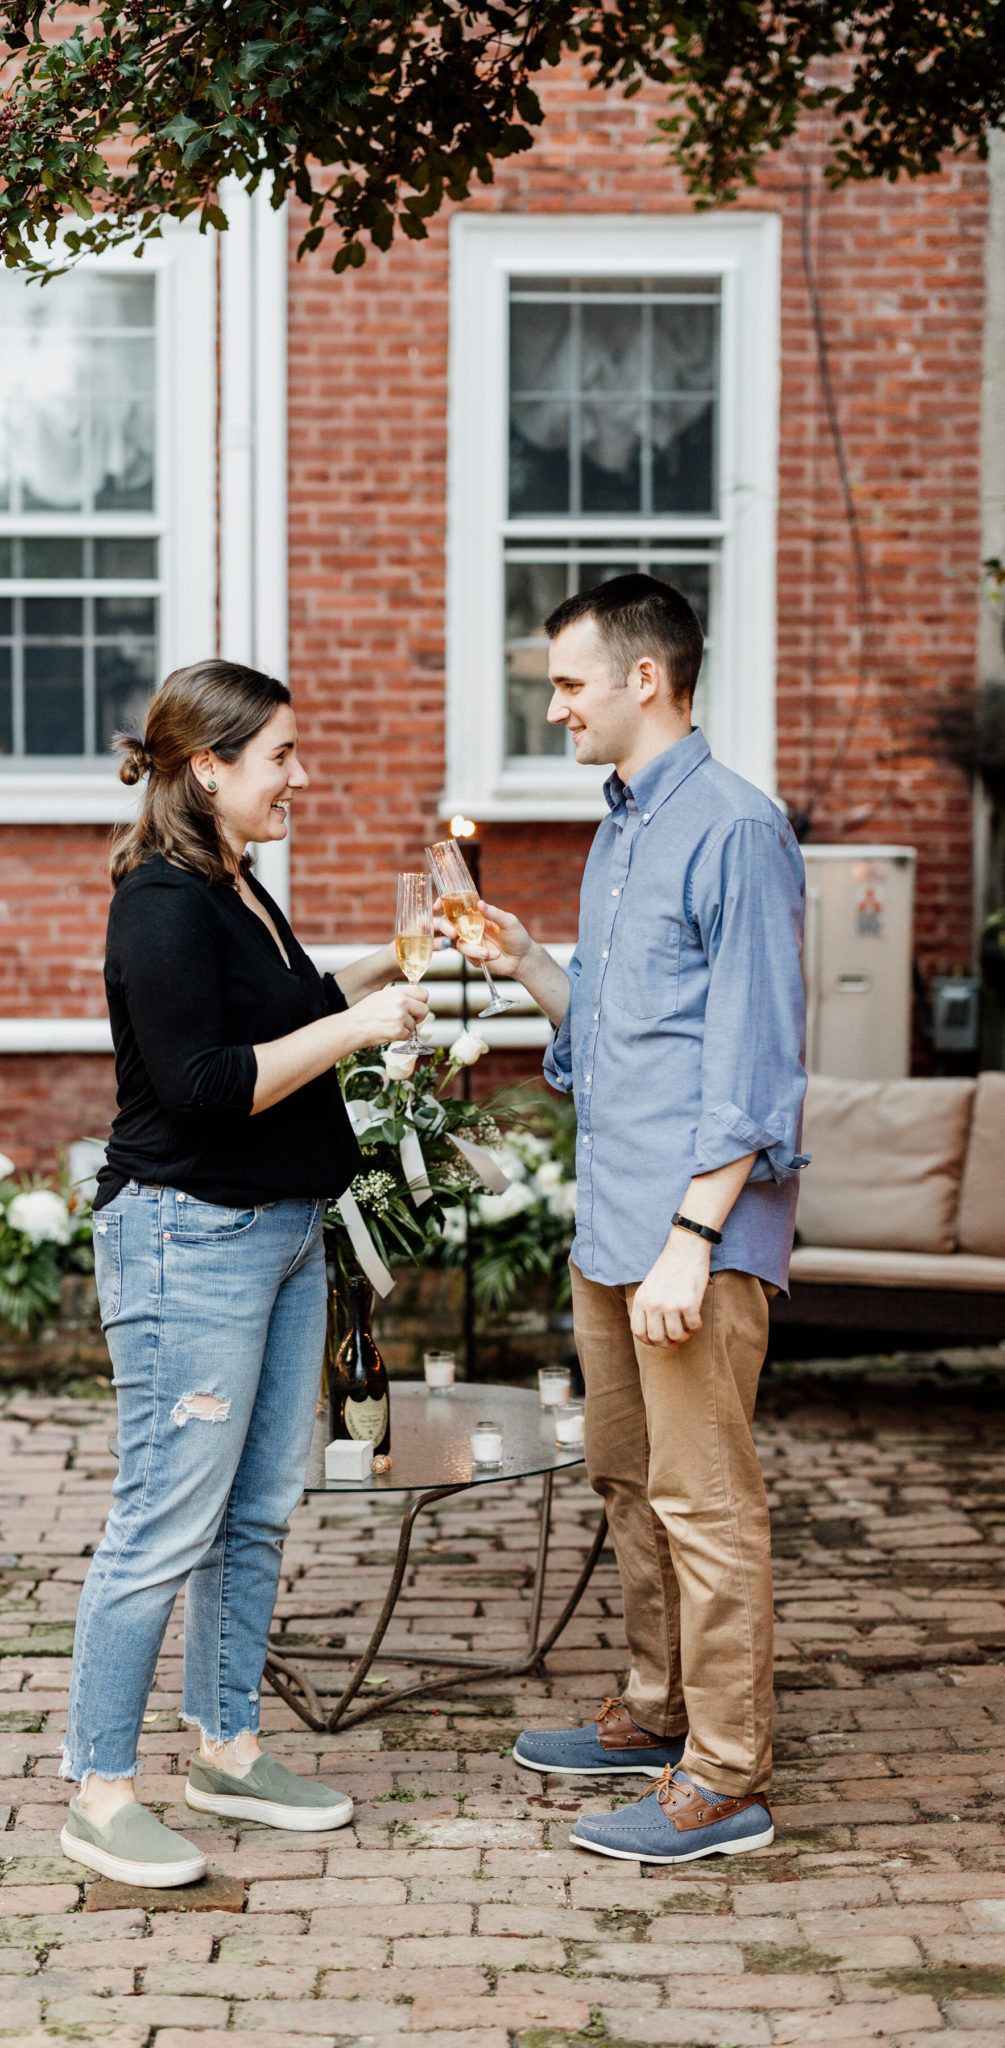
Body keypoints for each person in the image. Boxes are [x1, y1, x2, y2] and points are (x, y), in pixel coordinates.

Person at [450, 575, 807, 1865]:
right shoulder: (620, 830)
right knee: (627, 1479)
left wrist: (694, 1238)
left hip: (687, 1243)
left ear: (643, 680)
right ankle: (661, 1709)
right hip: (614, 1231)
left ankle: (726, 1774)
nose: (554, 710)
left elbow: (757, 1064)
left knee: (708, 1502)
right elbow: (617, 1029)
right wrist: (530, 961)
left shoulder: (736, 829)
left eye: (567, 684)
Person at [60, 658, 428, 1888]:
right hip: (188, 1237)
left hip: (276, 1232)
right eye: (280, 756)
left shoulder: (238, 884)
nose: (300, 776)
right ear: (209, 767)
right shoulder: (159, 900)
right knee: (163, 1517)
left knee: (259, 1505)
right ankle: (100, 1790)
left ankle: (226, 1744)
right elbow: (209, 1083)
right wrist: (354, 1031)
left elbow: (290, 1008)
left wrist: (386, 965)